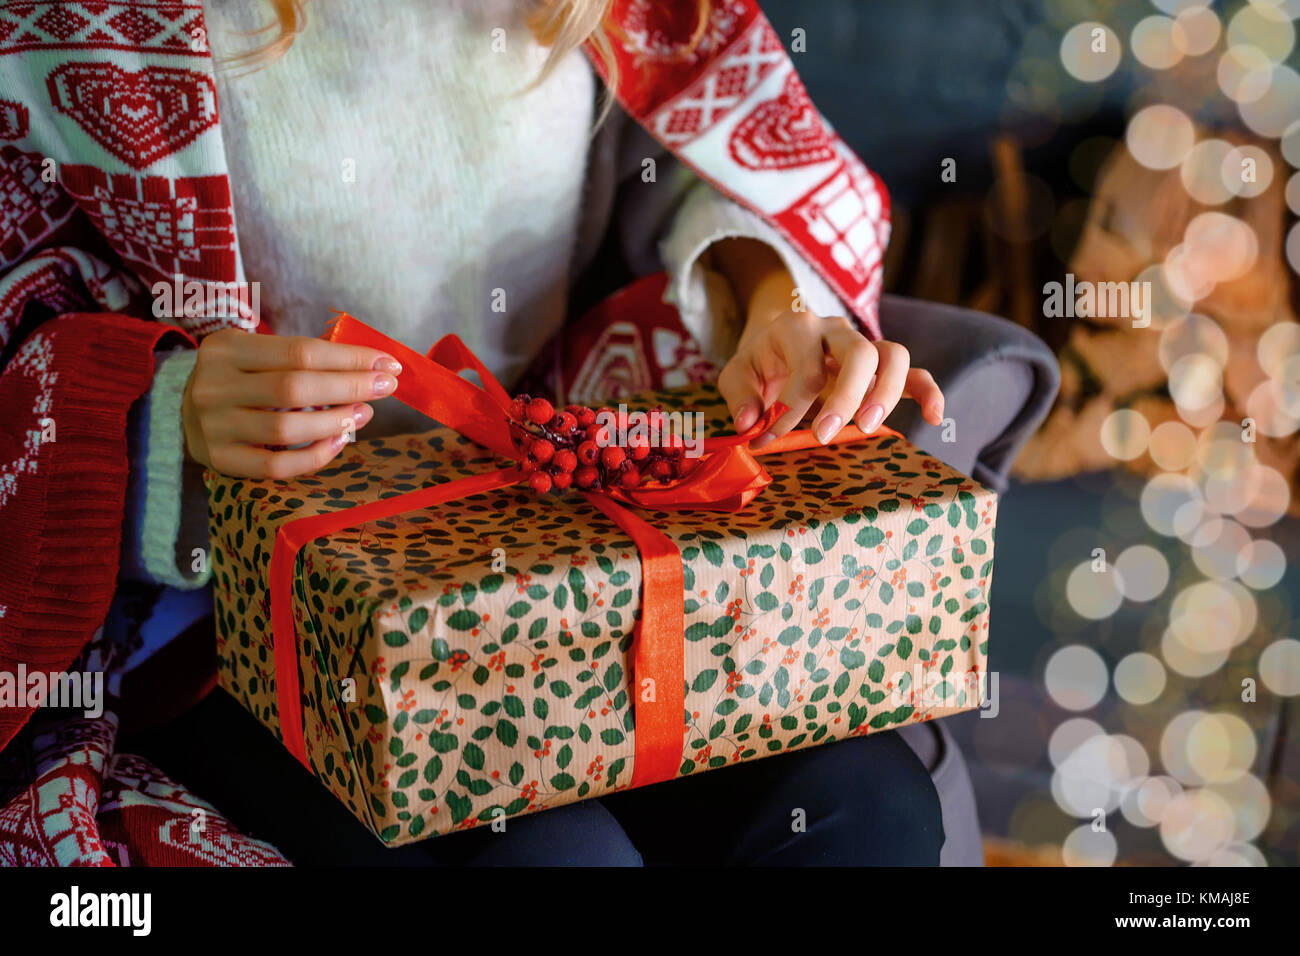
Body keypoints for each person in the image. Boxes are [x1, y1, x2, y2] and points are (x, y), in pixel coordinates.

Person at [1, 0, 946, 865]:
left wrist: (772, 301)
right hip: (250, 631)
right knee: (551, 858)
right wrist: (158, 419)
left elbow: (693, 135)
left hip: (546, 554)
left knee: (864, 802)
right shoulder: (82, 25)